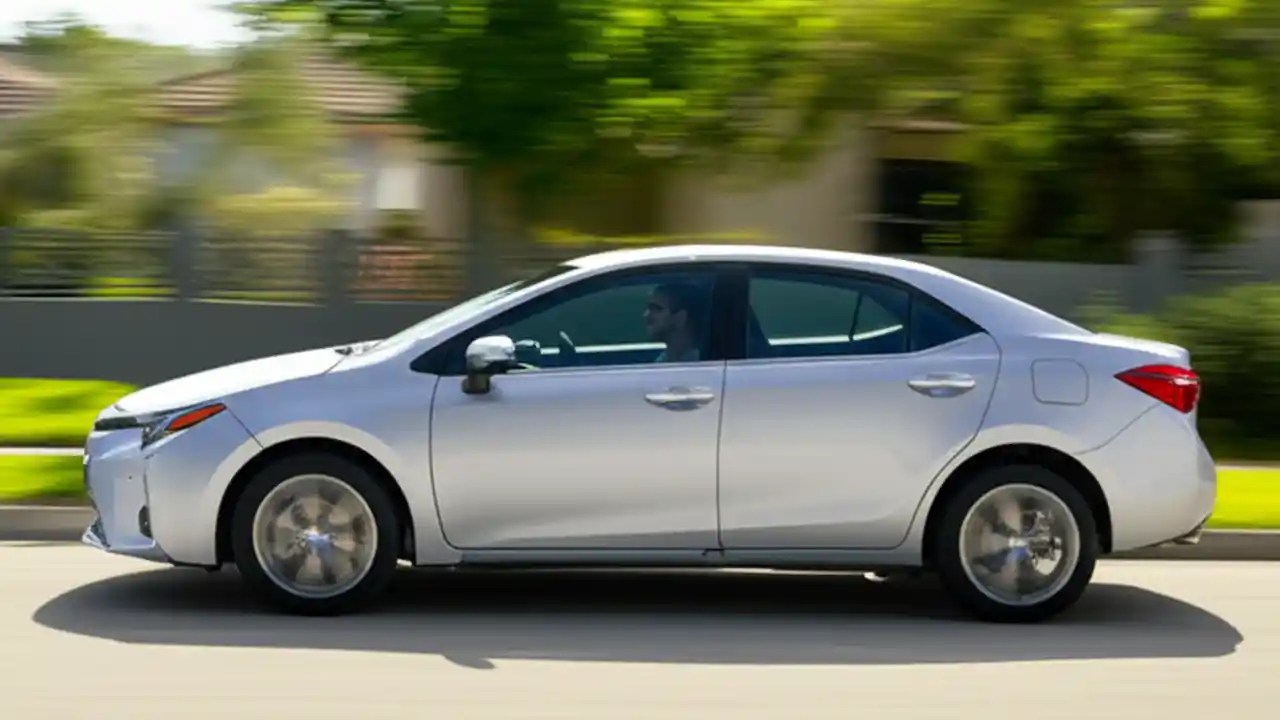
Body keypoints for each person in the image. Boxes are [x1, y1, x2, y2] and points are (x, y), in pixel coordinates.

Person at [645, 282, 704, 363]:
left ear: (680, 318)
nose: (646, 315)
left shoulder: (697, 365)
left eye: (657, 309)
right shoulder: (665, 360)